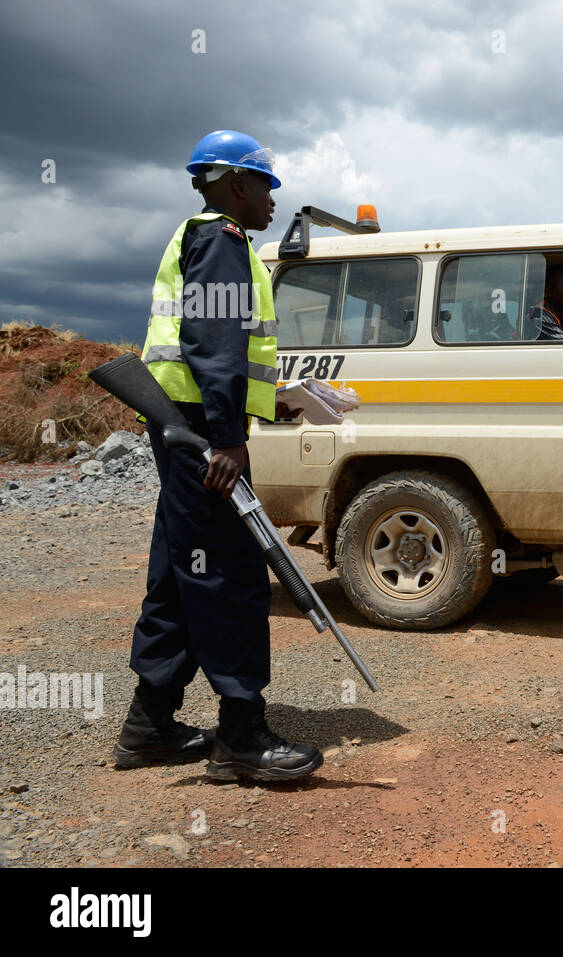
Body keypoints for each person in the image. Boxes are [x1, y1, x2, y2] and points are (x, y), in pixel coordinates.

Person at [113, 130, 323, 781]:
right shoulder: (225, 242)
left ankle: (150, 724)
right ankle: (241, 734)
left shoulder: (201, 240)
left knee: (182, 571)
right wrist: (230, 435)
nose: (271, 201)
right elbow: (215, 346)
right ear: (238, 184)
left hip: (188, 428)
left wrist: (282, 400)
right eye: (266, 186)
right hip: (207, 435)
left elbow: (218, 350)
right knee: (228, 574)